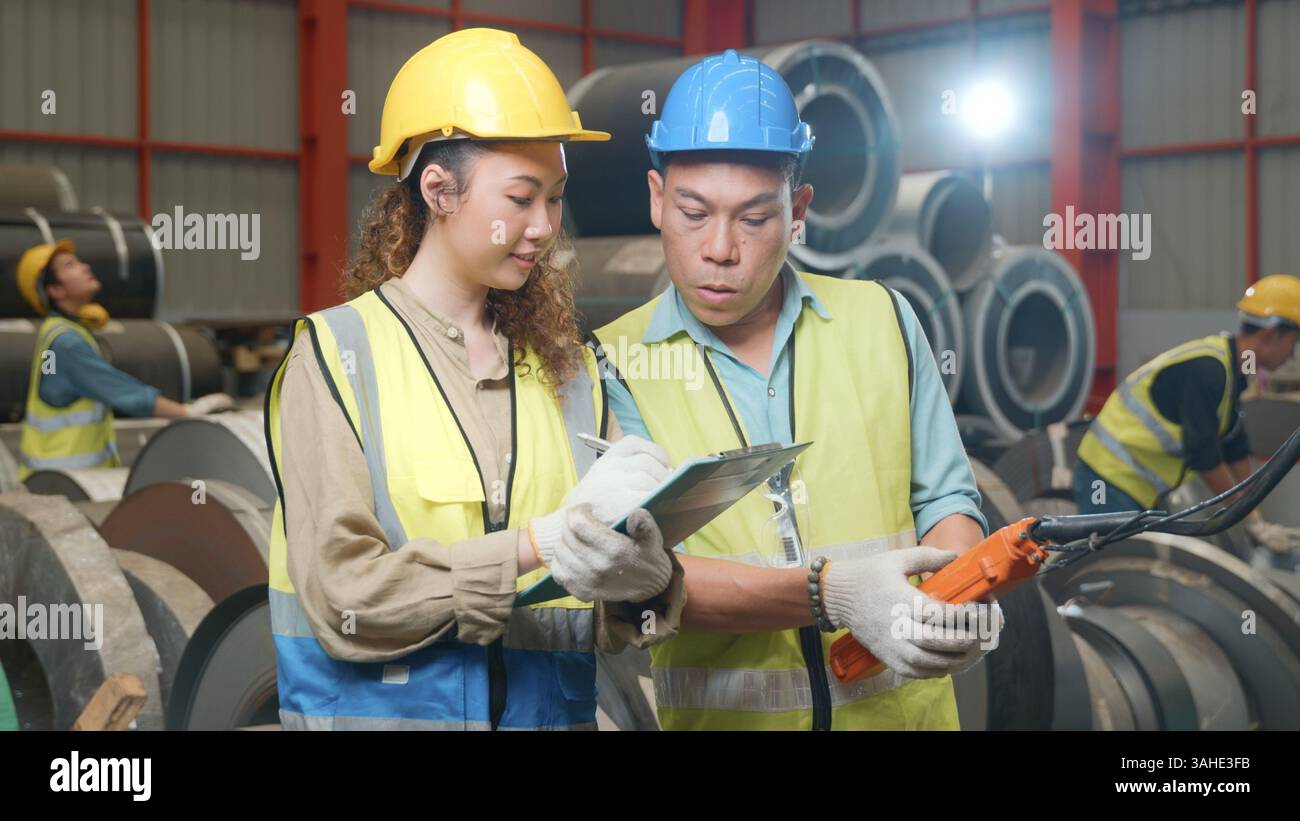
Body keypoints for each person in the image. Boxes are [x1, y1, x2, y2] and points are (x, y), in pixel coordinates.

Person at [263, 28, 682, 731]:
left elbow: (606, 616)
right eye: (521, 198)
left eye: (554, 198)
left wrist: (645, 577)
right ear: (438, 189)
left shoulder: (569, 372)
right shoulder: (338, 358)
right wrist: (535, 545)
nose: (545, 226)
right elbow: (345, 597)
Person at [591, 49, 1002, 731]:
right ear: (657, 199)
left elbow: (946, 497)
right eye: (694, 212)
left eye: (754, 218)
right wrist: (830, 594)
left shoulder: (884, 320)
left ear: (799, 209)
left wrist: (961, 590)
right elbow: (646, 576)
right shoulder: (613, 365)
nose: (720, 248)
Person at [1075, 274, 1300, 553]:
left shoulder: (1232, 372)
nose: (1292, 355)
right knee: (1113, 571)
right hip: (1107, 479)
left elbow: (1233, 445)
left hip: (1138, 488)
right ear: (1270, 334)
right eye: (1294, 342)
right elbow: (1203, 455)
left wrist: (1254, 516)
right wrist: (1248, 519)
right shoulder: (1208, 370)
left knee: (1135, 569)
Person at [15, 239, 232, 479]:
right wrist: (186, 413)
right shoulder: (67, 343)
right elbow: (123, 392)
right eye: (70, 265)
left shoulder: (57, 332)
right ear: (55, 290)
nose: (85, 266)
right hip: (63, 483)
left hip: (56, 477)